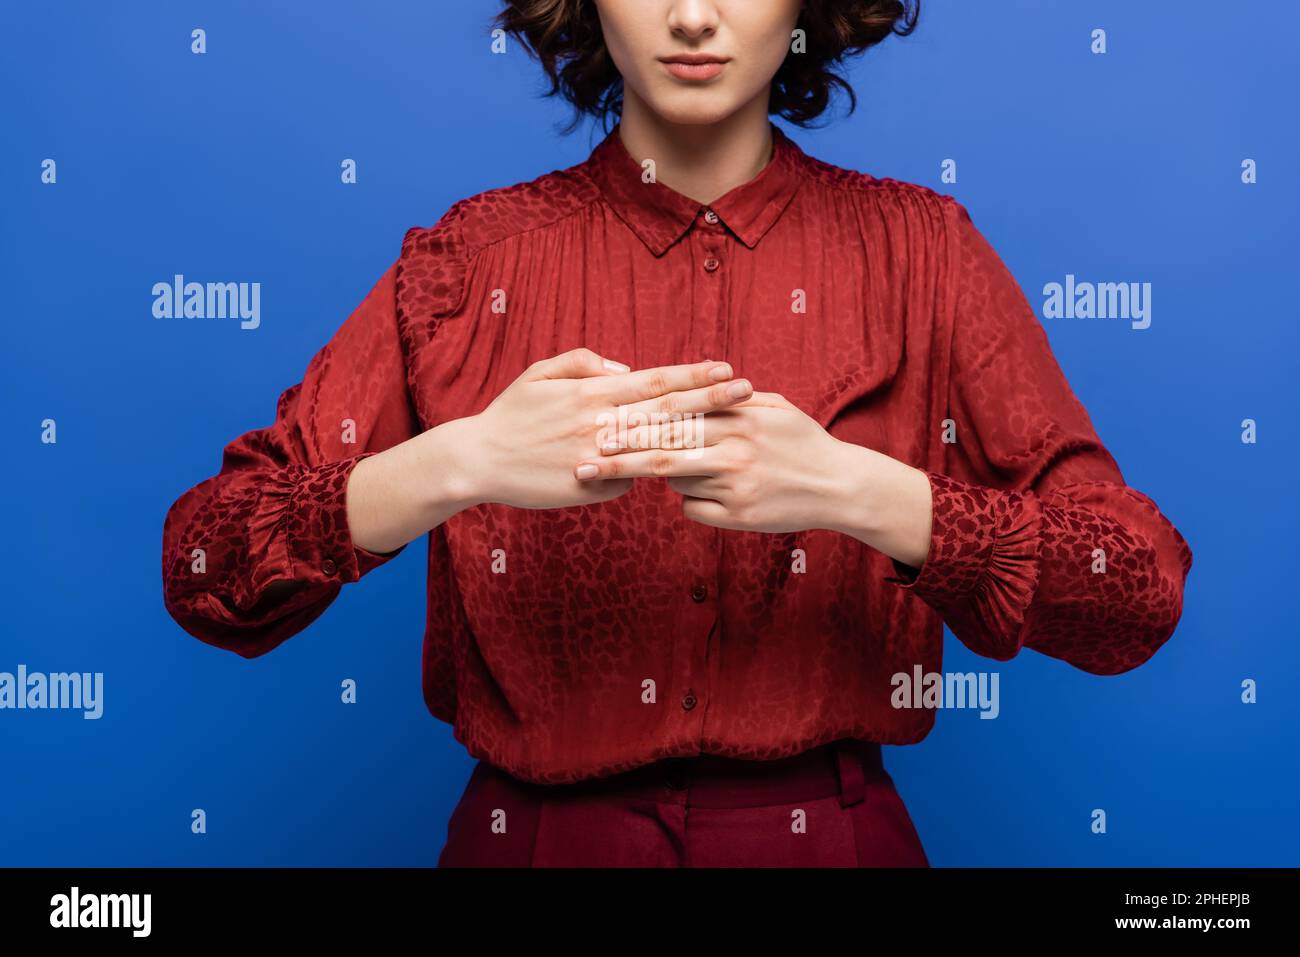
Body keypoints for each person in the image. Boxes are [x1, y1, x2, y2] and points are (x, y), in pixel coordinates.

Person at [161, 0, 1193, 867]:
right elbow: (203, 563)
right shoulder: (469, 261)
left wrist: (864, 493)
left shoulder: (925, 254)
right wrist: (454, 461)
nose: (693, 15)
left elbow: (1137, 591)